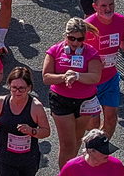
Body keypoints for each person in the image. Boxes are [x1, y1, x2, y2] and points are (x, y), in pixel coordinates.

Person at [42, 17, 103, 168]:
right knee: (67, 144)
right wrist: (64, 77)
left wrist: (77, 76)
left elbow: (95, 76)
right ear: (66, 35)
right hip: (61, 100)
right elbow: (46, 77)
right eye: (72, 38)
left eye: (79, 39)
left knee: (77, 139)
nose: (75, 43)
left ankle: (72, 170)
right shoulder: (55, 51)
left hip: (85, 101)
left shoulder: (91, 53)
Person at [86, 0, 124, 139]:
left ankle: (101, 148)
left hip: (110, 80)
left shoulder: (120, 20)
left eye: (111, 4)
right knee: (93, 124)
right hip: (91, 83)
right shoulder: (87, 26)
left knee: (112, 118)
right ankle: (91, 150)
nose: (108, 9)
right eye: (103, 6)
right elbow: (76, 52)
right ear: (95, 7)